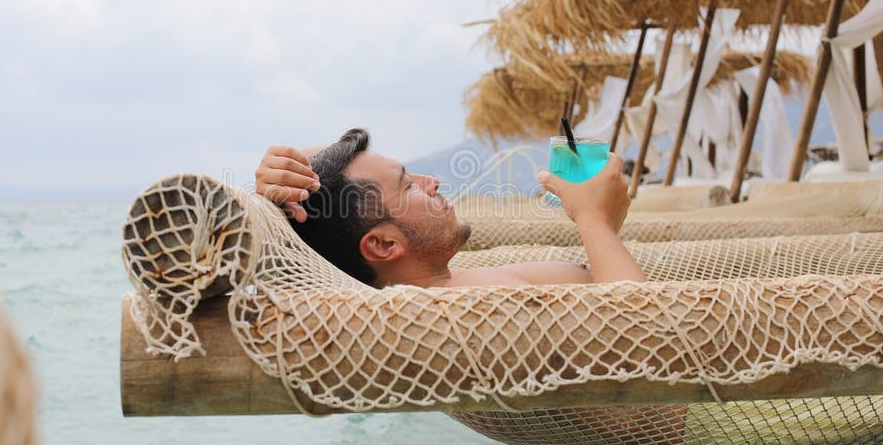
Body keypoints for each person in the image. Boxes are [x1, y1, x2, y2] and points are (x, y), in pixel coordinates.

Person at [255, 128, 646, 288]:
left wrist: (281, 175)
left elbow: (333, 187)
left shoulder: (435, 284)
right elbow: (646, 339)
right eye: (410, 185)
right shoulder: (459, 315)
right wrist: (596, 219)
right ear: (384, 246)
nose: (434, 182)